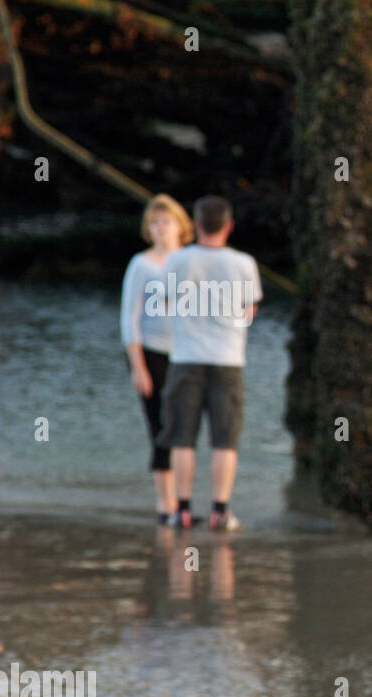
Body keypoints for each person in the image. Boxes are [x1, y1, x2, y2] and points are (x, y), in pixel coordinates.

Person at [156, 195, 262, 531]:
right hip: (228, 360)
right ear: (229, 227)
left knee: (182, 437)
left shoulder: (176, 261)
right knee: (225, 439)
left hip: (186, 358)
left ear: (196, 225)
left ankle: (182, 509)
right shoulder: (244, 263)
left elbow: (166, 303)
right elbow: (250, 310)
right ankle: (220, 511)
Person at [120, 194, 194, 526]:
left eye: (166, 221)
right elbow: (129, 317)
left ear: (181, 226)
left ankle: (184, 502)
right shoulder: (141, 264)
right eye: (155, 222)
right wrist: (137, 366)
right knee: (160, 427)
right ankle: (165, 505)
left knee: (183, 428)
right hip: (151, 354)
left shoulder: (191, 261)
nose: (160, 228)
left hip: (187, 354)